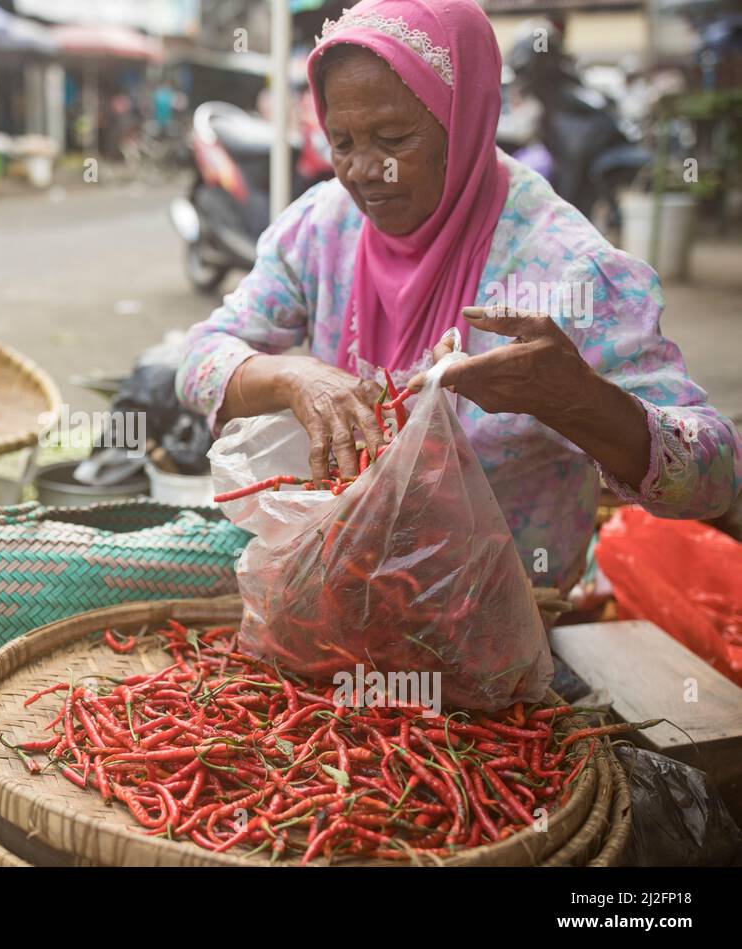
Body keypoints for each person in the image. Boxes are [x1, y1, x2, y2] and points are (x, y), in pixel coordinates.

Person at [176, 0, 741, 591]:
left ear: (465, 119)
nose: (366, 170)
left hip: (501, 632)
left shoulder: (568, 269)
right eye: (341, 141)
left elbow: (716, 477)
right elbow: (199, 358)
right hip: (334, 603)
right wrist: (293, 379)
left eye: (393, 138)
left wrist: (580, 401)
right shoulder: (323, 227)